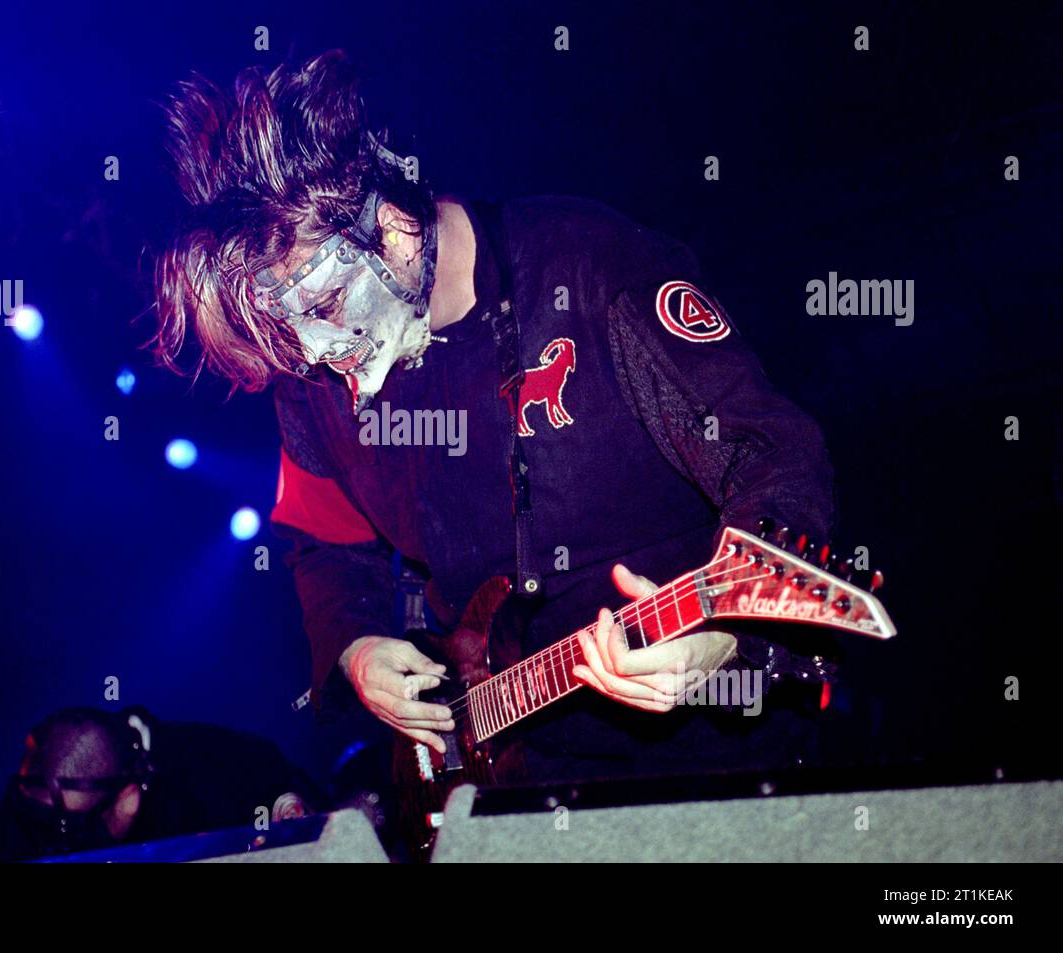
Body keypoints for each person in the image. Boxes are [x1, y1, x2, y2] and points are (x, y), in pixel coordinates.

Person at [152, 50, 838, 784]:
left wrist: (725, 630)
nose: (315, 352)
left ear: (393, 230)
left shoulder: (586, 264)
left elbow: (771, 454)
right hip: (515, 771)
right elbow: (323, 542)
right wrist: (356, 646)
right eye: (287, 333)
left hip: (719, 759)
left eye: (321, 308)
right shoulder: (310, 379)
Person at [0, 706, 317, 861]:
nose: (53, 844)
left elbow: (301, 802)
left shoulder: (219, 765)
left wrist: (291, 813)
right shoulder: (24, 817)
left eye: (69, 835)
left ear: (128, 799)